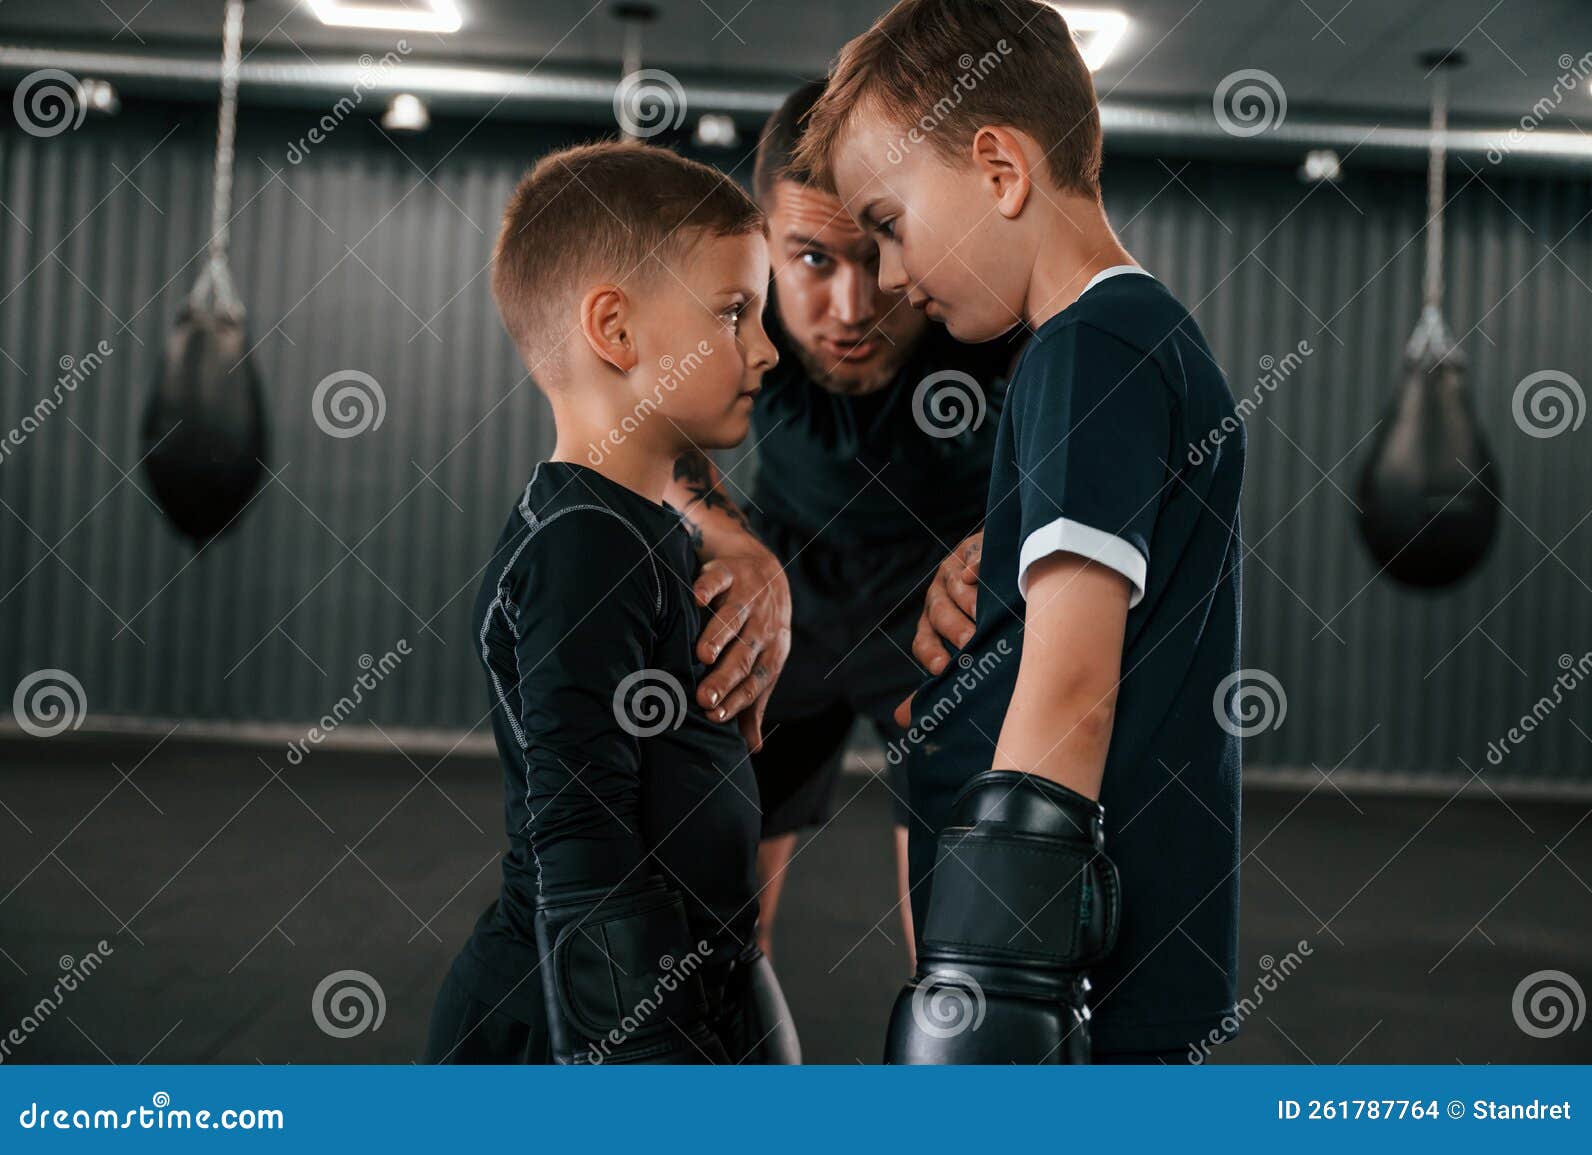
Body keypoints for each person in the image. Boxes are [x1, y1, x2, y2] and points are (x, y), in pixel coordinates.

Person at [797, 0, 1245, 1063]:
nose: (890, 276)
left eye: (889, 224)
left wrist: (987, 981)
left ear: (1000, 171)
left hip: (1069, 977)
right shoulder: (1119, 344)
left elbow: (1074, 685)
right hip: (1083, 952)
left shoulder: (1091, 349)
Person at [423, 141, 799, 1065]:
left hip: (682, 979)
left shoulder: (642, 529)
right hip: (564, 1027)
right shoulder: (584, 546)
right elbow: (582, 840)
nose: (766, 348)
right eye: (735, 313)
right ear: (616, 331)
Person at [663, 82, 1019, 966]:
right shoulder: (730, 311)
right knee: (719, 933)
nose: (854, 306)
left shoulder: (984, 308)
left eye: (881, 248)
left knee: (953, 948)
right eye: (815, 260)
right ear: (763, 244)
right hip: (786, 591)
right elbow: (652, 439)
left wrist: (1005, 539)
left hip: (946, 606)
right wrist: (730, 540)